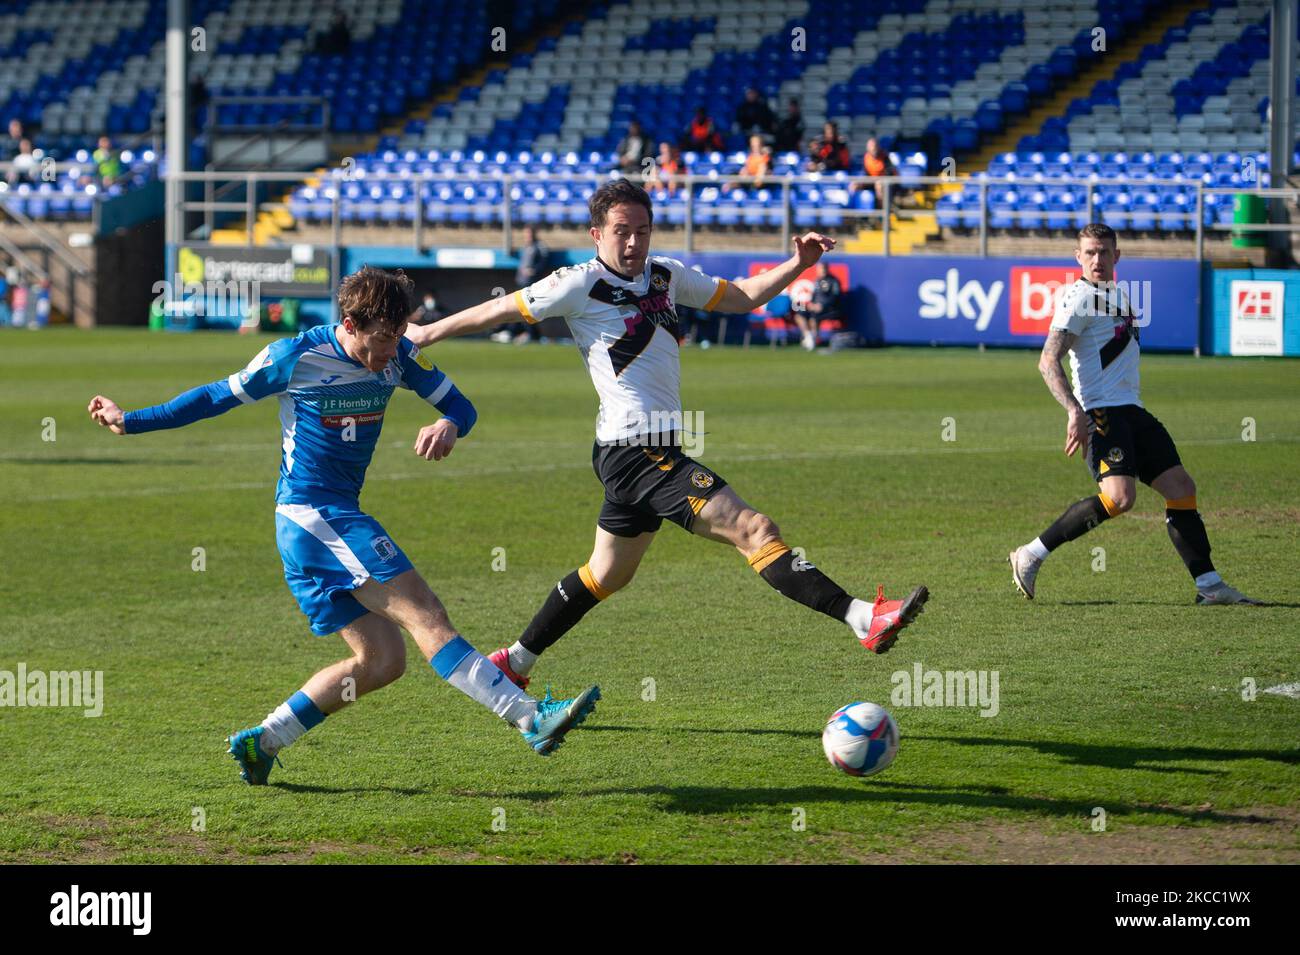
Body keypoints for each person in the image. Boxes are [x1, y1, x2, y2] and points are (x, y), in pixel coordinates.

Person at [404, 179, 928, 691]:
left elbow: (741, 297)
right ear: (596, 234)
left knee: (605, 575)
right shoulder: (577, 283)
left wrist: (798, 265)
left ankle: (514, 661)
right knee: (754, 529)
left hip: (643, 451)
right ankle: (862, 616)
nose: (633, 243)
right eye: (621, 231)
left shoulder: (665, 276)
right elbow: (502, 307)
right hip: (636, 452)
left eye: (643, 231)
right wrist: (426, 333)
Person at [87, 267, 600, 785]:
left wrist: (448, 424)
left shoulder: (399, 354)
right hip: (314, 516)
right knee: (426, 614)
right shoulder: (295, 357)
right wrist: (130, 420)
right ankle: (529, 717)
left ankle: (264, 741)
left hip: (320, 524)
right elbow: (214, 396)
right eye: (380, 339)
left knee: (381, 661)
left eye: (398, 336)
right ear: (350, 324)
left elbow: (462, 407)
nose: (388, 353)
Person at [1009, 224, 1260, 605]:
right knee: (1119, 498)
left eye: (1104, 252)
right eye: (1090, 252)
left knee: (1181, 489)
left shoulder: (1119, 295)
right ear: (1078, 257)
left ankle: (1209, 585)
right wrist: (1074, 411)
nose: (1097, 259)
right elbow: (1047, 361)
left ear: (1116, 256)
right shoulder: (1078, 298)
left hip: (1133, 411)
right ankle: (1030, 554)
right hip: (1102, 413)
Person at [495, 226, 548, 343]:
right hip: (521, 282)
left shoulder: (539, 246)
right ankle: (520, 333)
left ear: (534, 233)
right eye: (525, 233)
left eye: (528, 233)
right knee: (519, 310)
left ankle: (533, 335)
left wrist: (534, 270)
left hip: (531, 283)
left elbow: (544, 261)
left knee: (527, 310)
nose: (527, 236)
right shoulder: (526, 246)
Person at [792, 261, 842, 351]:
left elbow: (835, 297)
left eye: (823, 268)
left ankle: (814, 339)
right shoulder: (817, 281)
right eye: (820, 269)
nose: (822, 271)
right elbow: (814, 295)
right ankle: (808, 336)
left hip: (829, 308)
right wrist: (811, 304)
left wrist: (822, 305)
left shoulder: (833, 281)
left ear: (827, 269)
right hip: (815, 306)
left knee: (814, 317)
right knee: (799, 313)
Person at [856, 137, 895, 206]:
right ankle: (853, 212)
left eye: (874, 146)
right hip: (870, 181)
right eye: (871, 147)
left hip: (883, 182)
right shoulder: (866, 157)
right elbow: (865, 172)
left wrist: (880, 179)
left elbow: (890, 171)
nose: (873, 149)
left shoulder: (884, 156)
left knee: (879, 185)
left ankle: (883, 210)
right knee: (854, 185)